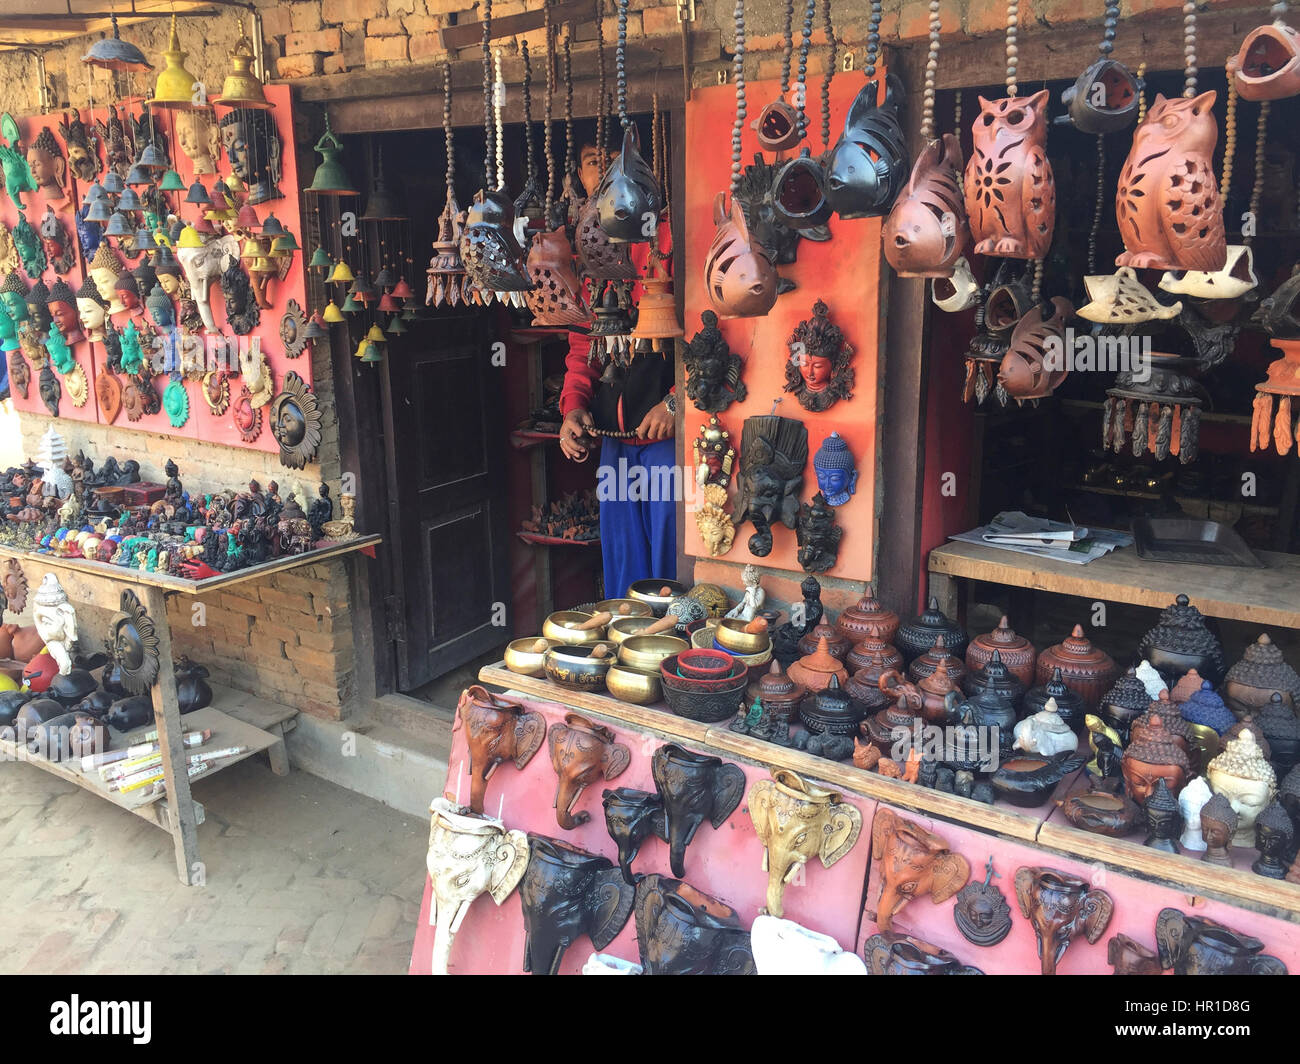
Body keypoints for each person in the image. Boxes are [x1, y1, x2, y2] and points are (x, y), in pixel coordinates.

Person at [558, 139, 676, 601]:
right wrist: (573, 409)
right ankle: (632, 652)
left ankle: (675, 653)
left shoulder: (666, 237)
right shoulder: (587, 251)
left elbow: (712, 335)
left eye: (614, 158)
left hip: (667, 441)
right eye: (593, 162)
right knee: (624, 559)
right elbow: (582, 346)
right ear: (581, 179)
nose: (605, 171)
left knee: (669, 557)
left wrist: (677, 402)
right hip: (613, 443)